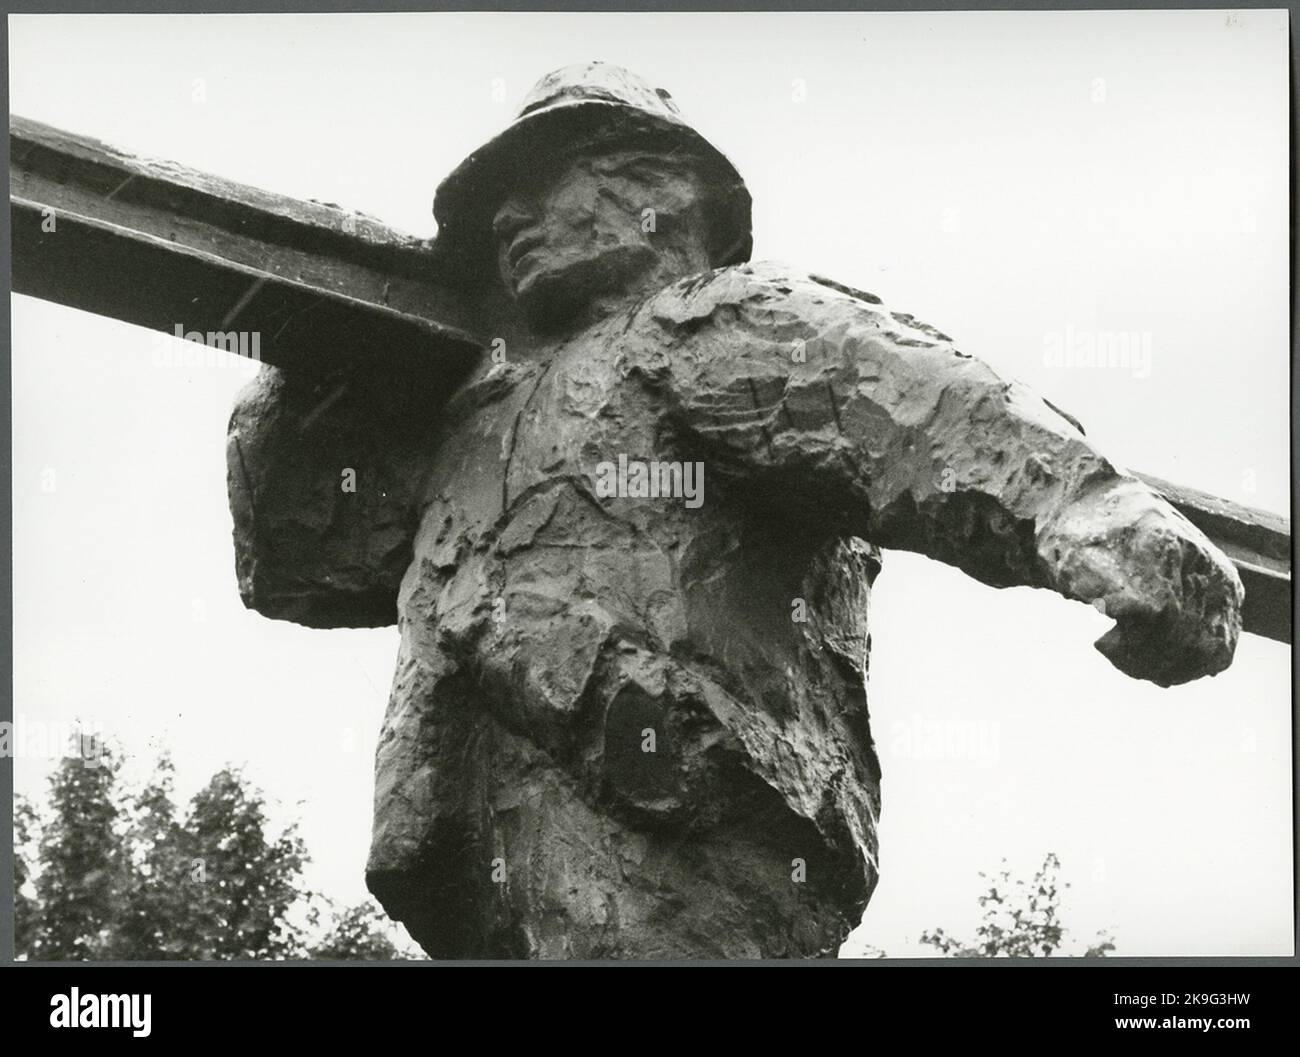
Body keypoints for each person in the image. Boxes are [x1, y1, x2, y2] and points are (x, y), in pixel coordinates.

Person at [228, 63, 1241, 958]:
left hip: (684, 833)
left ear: (663, 198)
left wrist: (1083, 506)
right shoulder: (466, 423)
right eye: (497, 204)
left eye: (543, 184)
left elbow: (894, 398)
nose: (505, 220)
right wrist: (303, 371)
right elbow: (304, 568)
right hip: (486, 872)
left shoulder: (702, 327)